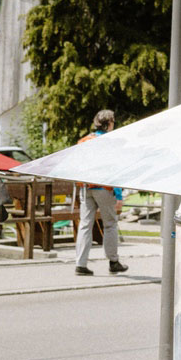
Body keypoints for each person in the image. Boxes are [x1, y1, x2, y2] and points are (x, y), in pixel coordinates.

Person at [72, 108, 127, 276]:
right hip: (104, 187)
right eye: (113, 122)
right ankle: (113, 261)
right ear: (109, 124)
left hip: (86, 187)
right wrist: (119, 194)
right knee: (110, 224)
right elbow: (114, 169)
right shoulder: (110, 142)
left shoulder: (84, 141)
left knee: (85, 225)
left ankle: (80, 264)